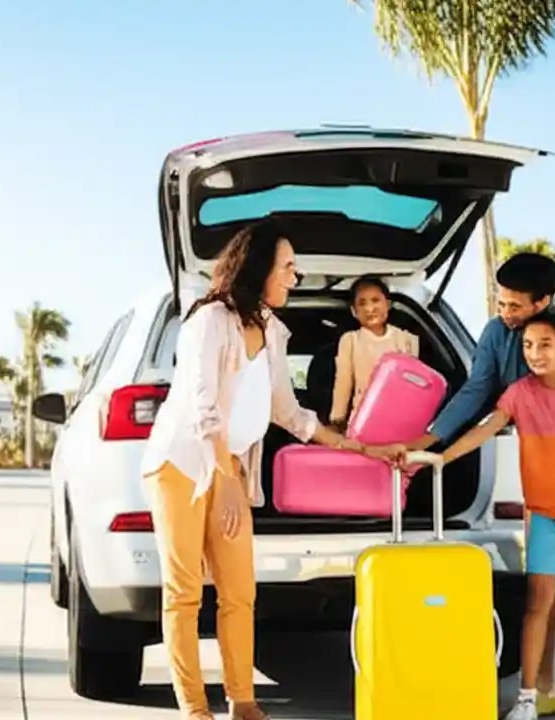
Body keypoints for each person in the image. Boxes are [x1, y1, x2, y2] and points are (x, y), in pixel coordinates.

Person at [140, 218, 401, 720]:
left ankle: (243, 701)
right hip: (182, 467)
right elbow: (203, 407)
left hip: (229, 467)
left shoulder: (274, 330)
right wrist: (225, 481)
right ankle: (195, 709)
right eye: (288, 267)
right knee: (185, 591)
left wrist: (359, 449)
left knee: (240, 592)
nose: (294, 278)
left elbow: (290, 413)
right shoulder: (208, 321)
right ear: (258, 267)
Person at [406, 252, 555, 715]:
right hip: (539, 479)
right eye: (500, 303)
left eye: (515, 306)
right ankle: (542, 685)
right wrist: (433, 442)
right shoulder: (498, 335)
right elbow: (479, 393)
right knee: (542, 589)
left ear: (543, 303)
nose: (505, 313)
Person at [431, 312, 555, 720]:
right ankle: (527, 698)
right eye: (528, 345)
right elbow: (486, 428)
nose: (534, 353)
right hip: (545, 515)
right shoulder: (518, 394)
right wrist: (442, 457)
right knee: (538, 603)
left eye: (545, 344)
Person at [329, 274, 420, 429]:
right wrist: (337, 420)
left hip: (400, 420)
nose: (369, 308)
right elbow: (343, 381)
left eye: (375, 300)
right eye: (362, 303)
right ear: (353, 311)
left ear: (388, 304)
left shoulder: (406, 339)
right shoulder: (350, 340)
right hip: (363, 419)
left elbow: (414, 385)